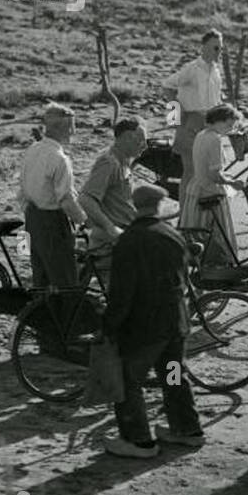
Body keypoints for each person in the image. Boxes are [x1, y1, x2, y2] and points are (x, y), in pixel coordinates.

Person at [103, 184, 204, 458]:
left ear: (135, 206)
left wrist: (109, 326)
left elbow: (122, 292)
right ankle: (187, 430)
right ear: (158, 206)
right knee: (173, 375)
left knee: (128, 379)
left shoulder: (130, 240)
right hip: (175, 322)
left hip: (145, 327)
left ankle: (138, 440)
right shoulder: (172, 235)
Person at [17, 103, 87, 292]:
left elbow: (22, 186)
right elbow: (65, 199)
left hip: (32, 218)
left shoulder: (33, 149)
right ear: (62, 128)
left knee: (41, 280)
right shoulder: (59, 159)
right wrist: (83, 220)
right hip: (52, 223)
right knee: (65, 282)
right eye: (72, 126)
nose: (74, 131)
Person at [79, 117, 147, 290]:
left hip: (124, 235)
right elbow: (86, 198)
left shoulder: (123, 163)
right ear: (126, 138)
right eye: (141, 141)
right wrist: (110, 227)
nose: (144, 147)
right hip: (111, 241)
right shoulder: (109, 163)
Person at [177, 103, 246, 265]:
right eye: (228, 124)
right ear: (218, 121)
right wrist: (232, 182)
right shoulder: (215, 139)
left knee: (199, 236)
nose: (230, 129)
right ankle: (220, 268)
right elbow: (214, 175)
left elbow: (204, 167)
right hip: (210, 192)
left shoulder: (202, 134)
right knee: (219, 236)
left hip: (196, 188)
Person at [162, 30, 225, 189]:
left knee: (207, 172)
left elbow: (216, 100)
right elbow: (167, 85)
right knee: (190, 172)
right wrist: (176, 116)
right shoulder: (192, 69)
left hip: (209, 124)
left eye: (221, 48)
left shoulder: (216, 72)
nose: (219, 52)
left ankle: (198, 212)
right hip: (191, 123)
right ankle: (184, 212)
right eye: (215, 48)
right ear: (203, 48)